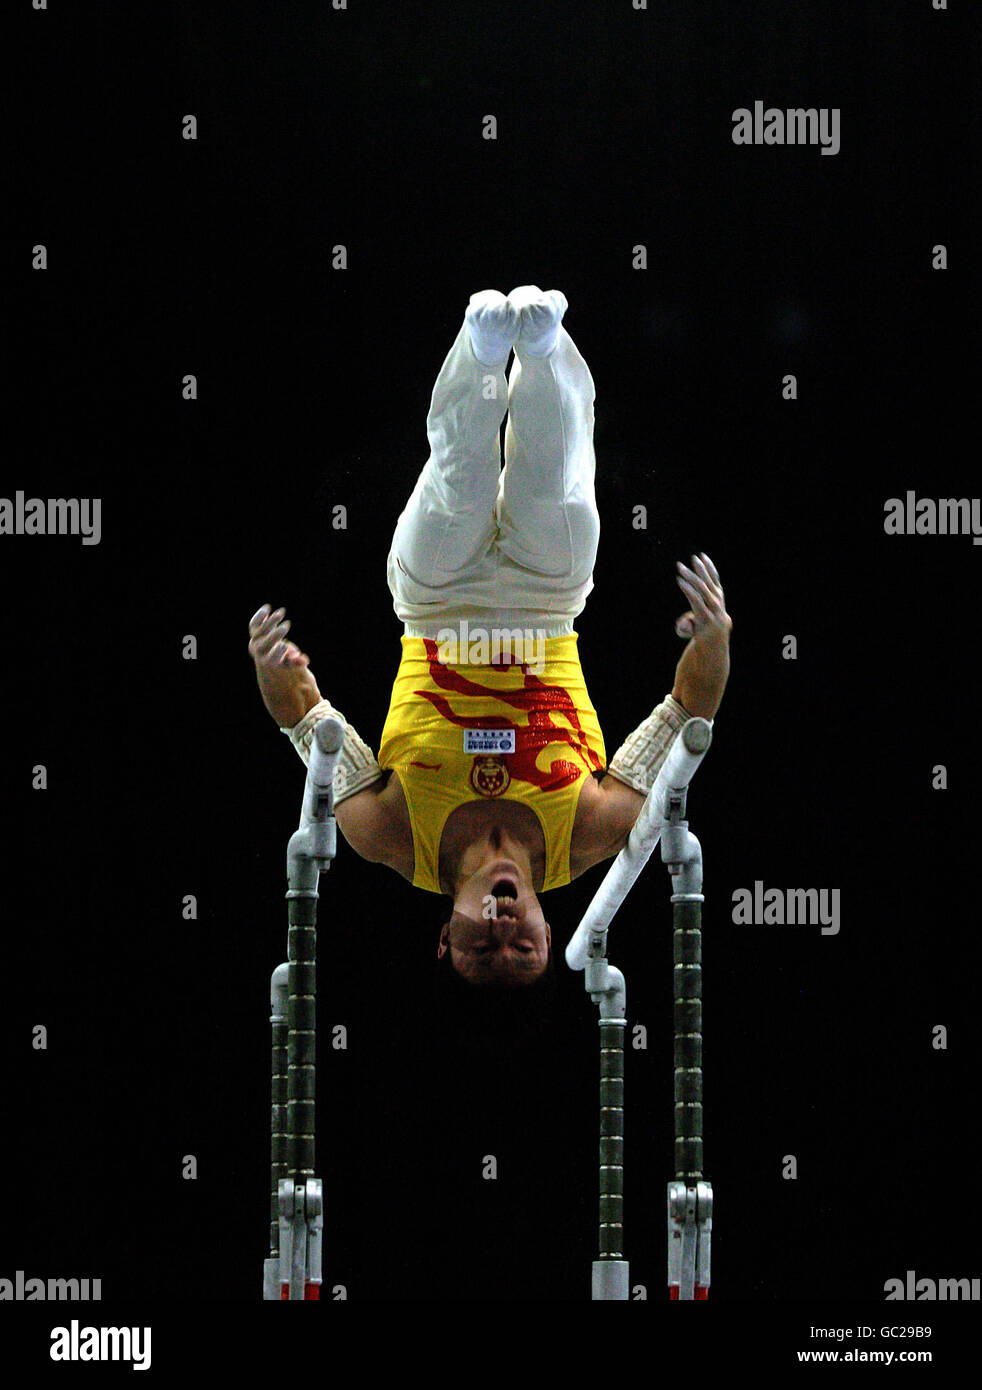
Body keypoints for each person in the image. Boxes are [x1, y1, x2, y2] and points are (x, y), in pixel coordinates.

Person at [248, 286, 732, 990]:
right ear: (548, 931)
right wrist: (713, 639)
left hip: (436, 601)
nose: (502, 933)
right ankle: (540, 348)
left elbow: (306, 718)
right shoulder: (592, 833)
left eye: (482, 950)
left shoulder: (388, 835)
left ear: (446, 938)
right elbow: (688, 714)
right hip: (546, 602)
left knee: (458, 482)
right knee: (558, 492)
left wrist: (273, 664)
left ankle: (481, 350)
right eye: (524, 950)